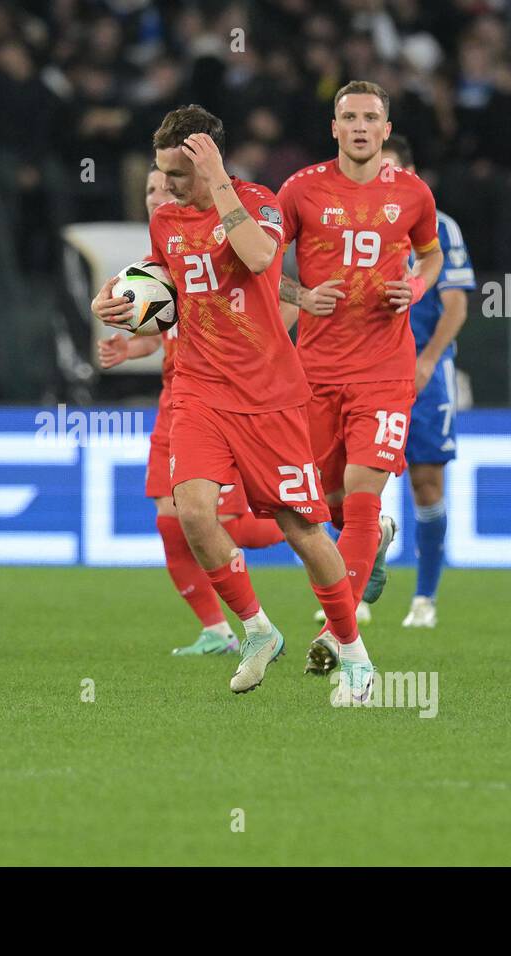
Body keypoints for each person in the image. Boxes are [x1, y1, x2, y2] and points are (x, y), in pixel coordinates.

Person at [92, 105, 366, 702]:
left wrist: (216, 183)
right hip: (197, 389)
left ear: (212, 160)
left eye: (178, 174)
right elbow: (163, 281)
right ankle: (258, 630)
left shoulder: (257, 202)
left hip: (269, 396)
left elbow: (262, 258)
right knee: (191, 512)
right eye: (161, 173)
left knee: (301, 529)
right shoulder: (165, 220)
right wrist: (117, 297)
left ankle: (354, 656)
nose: (166, 187)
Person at [277, 81, 444, 638]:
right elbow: (257, 261)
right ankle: (373, 541)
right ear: (334, 128)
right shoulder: (300, 191)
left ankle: (337, 632)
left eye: (371, 117)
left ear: (386, 129)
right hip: (316, 371)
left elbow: (431, 254)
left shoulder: (414, 193)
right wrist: (300, 296)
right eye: (349, 117)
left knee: (363, 492)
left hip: (384, 371)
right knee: (320, 505)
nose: (360, 126)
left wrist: (414, 289)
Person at [98, 164, 286, 657]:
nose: (158, 195)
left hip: (225, 399)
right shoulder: (158, 263)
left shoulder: (222, 247)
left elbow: (277, 295)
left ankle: (336, 528)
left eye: (166, 185)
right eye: (149, 189)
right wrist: (129, 350)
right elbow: (167, 330)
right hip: (175, 399)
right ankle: (217, 630)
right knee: (169, 518)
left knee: (227, 521)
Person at [379, 134, 475, 629]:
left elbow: (456, 303)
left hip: (423, 370)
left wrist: (428, 360)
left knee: (426, 481)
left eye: (392, 169)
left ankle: (424, 598)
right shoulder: (355, 219)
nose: (384, 178)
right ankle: (347, 596)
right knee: (349, 485)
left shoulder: (438, 226)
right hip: (366, 370)